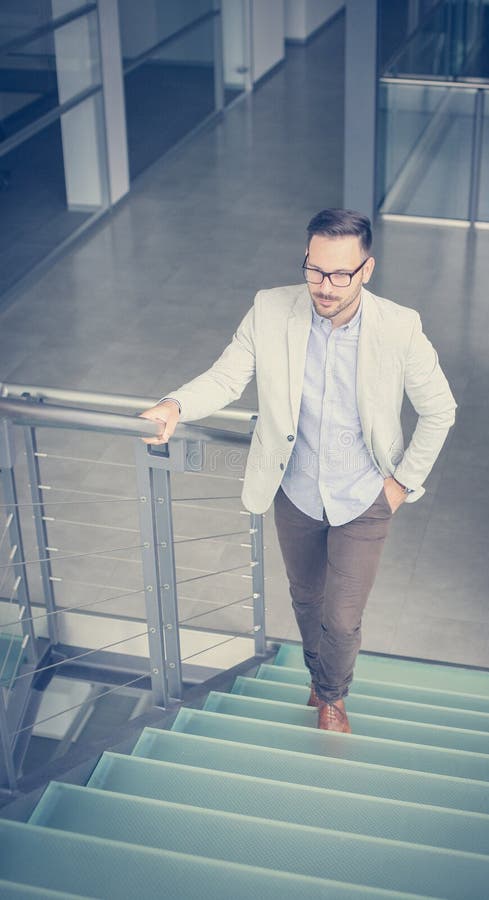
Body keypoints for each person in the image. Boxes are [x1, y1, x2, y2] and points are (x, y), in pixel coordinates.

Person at [140, 209, 456, 733]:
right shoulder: (270, 309)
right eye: (314, 270)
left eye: (340, 274)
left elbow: (440, 409)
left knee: (342, 616)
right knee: (306, 598)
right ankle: (318, 675)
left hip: (365, 496)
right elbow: (226, 376)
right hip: (295, 490)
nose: (324, 286)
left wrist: (400, 485)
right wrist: (175, 404)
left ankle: (332, 696)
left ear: (367, 270)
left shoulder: (400, 328)